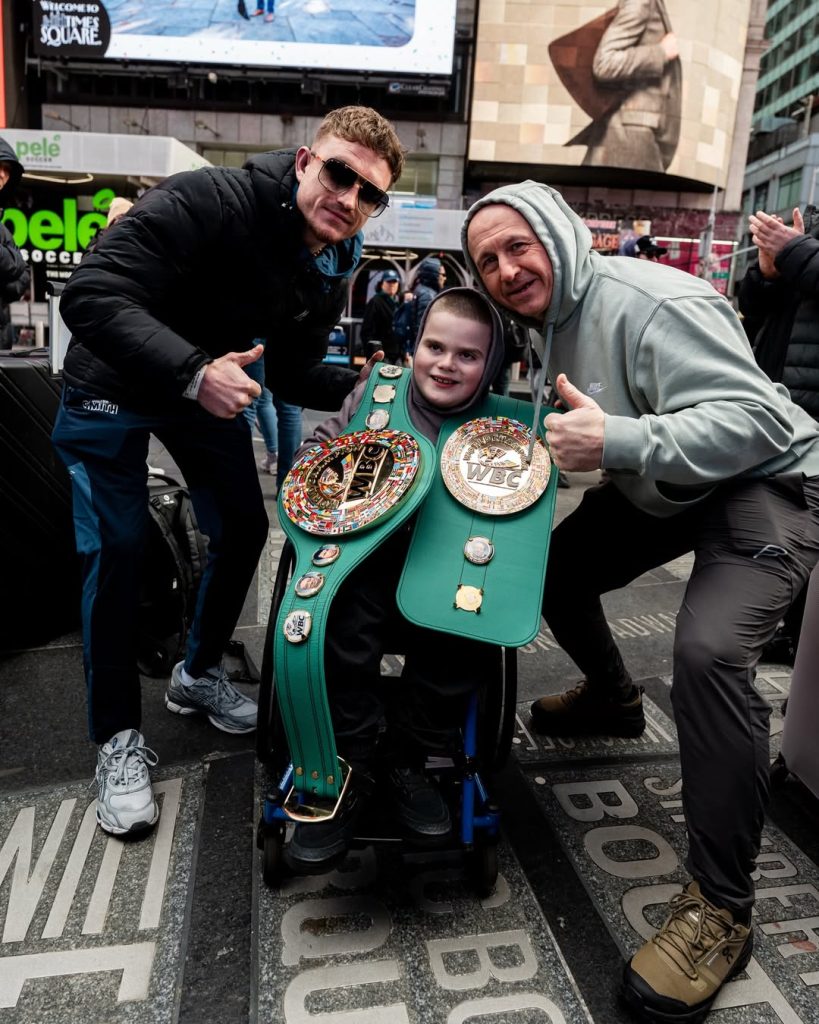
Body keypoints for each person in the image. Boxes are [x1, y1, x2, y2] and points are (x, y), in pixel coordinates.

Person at [463, 180, 819, 1024]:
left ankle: (722, 907)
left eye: (518, 246)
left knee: (705, 654)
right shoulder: (549, 323)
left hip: (768, 484)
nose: (507, 269)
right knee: (544, 569)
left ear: (556, 233)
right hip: (670, 485)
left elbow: (759, 423)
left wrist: (618, 439)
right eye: (487, 261)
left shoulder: (652, 299)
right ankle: (616, 700)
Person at [52, 105, 404, 837]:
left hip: (200, 387)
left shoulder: (331, 261)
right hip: (112, 381)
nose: (350, 199)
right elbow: (88, 295)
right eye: (340, 175)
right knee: (115, 550)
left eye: (370, 193)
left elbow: (297, 367)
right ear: (306, 160)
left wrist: (374, 385)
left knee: (245, 526)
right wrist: (191, 370)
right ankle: (116, 739)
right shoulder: (211, 197)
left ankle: (197, 672)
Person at [283, 288, 505, 873]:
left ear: (491, 365)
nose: (445, 364)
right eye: (435, 347)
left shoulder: (501, 425)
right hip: (366, 565)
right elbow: (327, 440)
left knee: (470, 636)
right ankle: (352, 756)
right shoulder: (376, 392)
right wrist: (317, 461)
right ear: (414, 347)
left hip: (448, 578)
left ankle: (411, 755)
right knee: (333, 623)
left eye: (466, 355)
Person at [738, 204, 819, 664]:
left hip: (811, 412)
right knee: (784, 530)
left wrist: (793, 251)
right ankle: (789, 632)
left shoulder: (802, 240)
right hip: (781, 405)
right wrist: (767, 272)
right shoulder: (810, 218)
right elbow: (753, 309)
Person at [568, 0, 681, 172]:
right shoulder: (641, 2)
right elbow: (605, 63)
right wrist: (661, 52)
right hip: (628, 136)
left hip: (633, 135)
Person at [0, 138, 30, 348]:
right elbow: (15, 264)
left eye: (7, 170)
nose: (2, 174)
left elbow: (23, 274)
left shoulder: (2, 227)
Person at [360, 268, 401, 362]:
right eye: (389, 282)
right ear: (382, 283)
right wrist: (374, 354)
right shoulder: (375, 302)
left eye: (394, 282)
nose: (392, 285)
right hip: (381, 356)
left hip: (397, 355)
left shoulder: (398, 302)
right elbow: (366, 332)